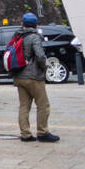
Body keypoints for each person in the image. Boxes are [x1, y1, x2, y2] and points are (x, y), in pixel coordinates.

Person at [13, 13, 58, 143]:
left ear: (22, 24)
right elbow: (40, 56)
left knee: (24, 106)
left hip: (19, 76)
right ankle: (43, 132)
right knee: (43, 105)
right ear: (36, 25)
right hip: (33, 77)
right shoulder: (34, 37)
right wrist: (45, 67)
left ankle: (25, 134)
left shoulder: (17, 36)